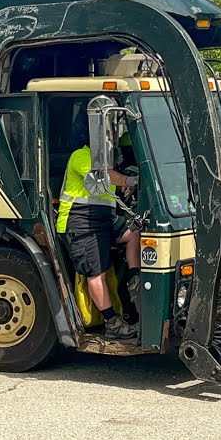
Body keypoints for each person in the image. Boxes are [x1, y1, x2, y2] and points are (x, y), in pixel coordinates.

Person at [57, 117, 140, 340]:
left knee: (134, 233)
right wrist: (129, 181)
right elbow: (104, 178)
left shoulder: (106, 161)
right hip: (80, 222)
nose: (112, 136)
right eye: (107, 132)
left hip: (104, 220)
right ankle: (112, 323)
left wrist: (124, 188)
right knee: (97, 273)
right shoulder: (81, 156)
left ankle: (135, 280)